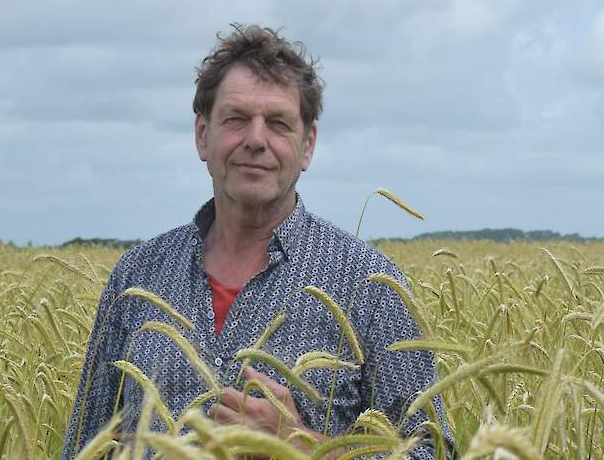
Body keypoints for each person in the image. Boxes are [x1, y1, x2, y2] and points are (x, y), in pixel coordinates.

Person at [62, 25, 451, 458]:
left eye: (279, 123)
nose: (255, 139)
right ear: (201, 135)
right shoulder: (137, 277)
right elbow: (86, 444)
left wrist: (300, 445)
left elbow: (430, 451)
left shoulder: (370, 286)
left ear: (307, 146)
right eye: (236, 120)